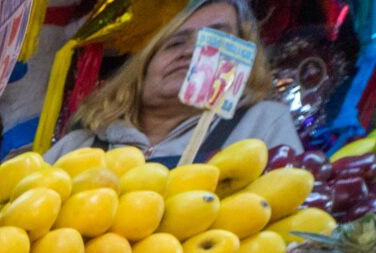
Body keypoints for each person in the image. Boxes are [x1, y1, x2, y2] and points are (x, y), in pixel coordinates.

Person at [48, 0, 301, 164]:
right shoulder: (78, 145)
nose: (191, 52)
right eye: (176, 43)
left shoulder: (263, 123)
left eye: (215, 40)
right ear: (141, 69)